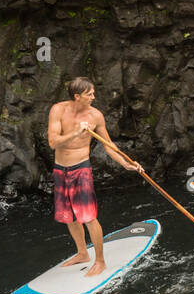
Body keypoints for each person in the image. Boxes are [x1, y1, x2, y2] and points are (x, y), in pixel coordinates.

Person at [47, 77, 142, 276]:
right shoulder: (58, 110)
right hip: (60, 169)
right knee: (69, 218)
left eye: (93, 93)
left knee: (89, 217)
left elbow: (109, 146)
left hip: (81, 169)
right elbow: (53, 142)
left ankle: (100, 261)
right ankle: (82, 253)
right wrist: (75, 132)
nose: (93, 96)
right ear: (77, 96)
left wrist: (126, 163)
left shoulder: (96, 116)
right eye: (89, 94)